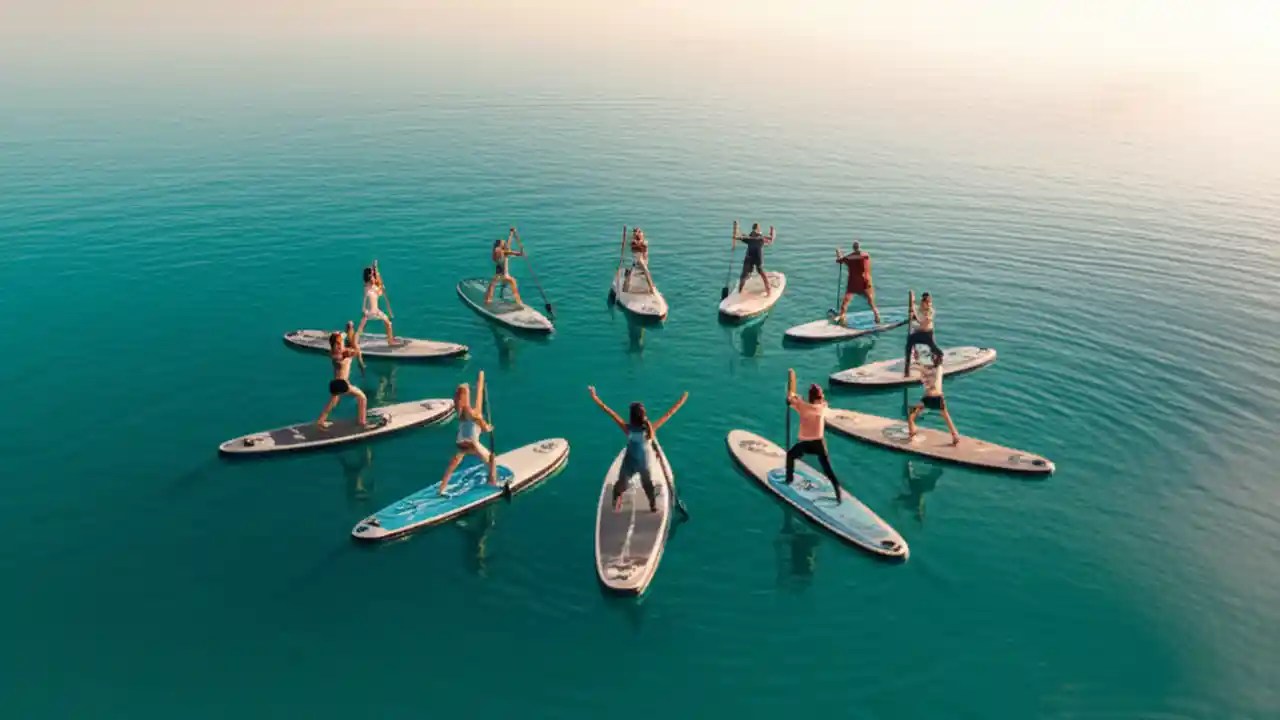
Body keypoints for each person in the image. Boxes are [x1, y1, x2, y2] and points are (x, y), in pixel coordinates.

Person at [588, 386, 688, 512]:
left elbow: (609, 411)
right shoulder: (650, 431)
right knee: (648, 485)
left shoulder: (627, 429)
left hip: (630, 460)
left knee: (621, 484)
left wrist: (595, 397)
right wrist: (682, 400)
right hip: (644, 463)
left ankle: (616, 497)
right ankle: (652, 505)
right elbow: (670, 413)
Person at [784, 369, 844, 504]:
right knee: (828, 469)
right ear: (819, 398)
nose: (823, 397)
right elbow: (815, 402)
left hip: (806, 443)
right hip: (819, 444)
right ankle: (838, 491)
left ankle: (789, 479)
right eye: (821, 395)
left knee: (790, 455)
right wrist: (796, 398)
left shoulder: (802, 406)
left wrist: (791, 397)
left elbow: (791, 400)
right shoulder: (823, 407)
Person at [439, 371, 498, 495]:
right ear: (465, 397)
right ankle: (492, 483)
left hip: (461, 442)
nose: (470, 391)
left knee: (454, 462)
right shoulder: (469, 411)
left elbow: (479, 396)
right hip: (471, 443)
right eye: (468, 392)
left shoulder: (464, 411)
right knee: (491, 460)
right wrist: (487, 427)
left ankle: (442, 488)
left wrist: (481, 379)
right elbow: (479, 421)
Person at [316, 331, 373, 429]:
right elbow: (355, 349)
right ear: (337, 345)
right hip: (342, 384)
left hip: (334, 384)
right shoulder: (343, 354)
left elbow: (349, 348)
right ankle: (362, 422)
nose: (343, 344)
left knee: (333, 402)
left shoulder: (333, 353)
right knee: (362, 397)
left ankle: (321, 421)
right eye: (341, 342)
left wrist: (347, 333)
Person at [906, 351, 961, 446]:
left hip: (929, 396)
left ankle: (912, 433)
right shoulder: (940, 368)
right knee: (945, 415)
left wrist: (915, 361)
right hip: (939, 396)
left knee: (912, 413)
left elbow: (923, 370)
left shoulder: (931, 370)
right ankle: (955, 435)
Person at [833, 240, 881, 325]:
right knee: (871, 301)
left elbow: (839, 260)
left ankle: (843, 319)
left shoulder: (849, 258)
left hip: (853, 283)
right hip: (865, 282)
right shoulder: (866, 256)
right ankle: (877, 317)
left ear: (853, 248)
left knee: (846, 302)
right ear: (859, 247)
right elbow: (859, 257)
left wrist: (838, 253)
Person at [904, 291, 943, 376]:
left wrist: (914, 320)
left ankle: (939, 355)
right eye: (927, 303)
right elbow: (913, 305)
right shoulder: (918, 308)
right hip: (919, 332)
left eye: (930, 303)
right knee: (909, 343)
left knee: (933, 348)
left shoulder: (931, 312)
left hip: (927, 334)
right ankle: (907, 369)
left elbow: (923, 324)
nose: (929, 305)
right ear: (923, 302)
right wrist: (912, 298)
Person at [356, 267, 397, 345]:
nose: (373, 278)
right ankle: (354, 341)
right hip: (369, 312)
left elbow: (378, 290)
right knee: (360, 329)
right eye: (372, 276)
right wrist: (380, 285)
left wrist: (380, 286)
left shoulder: (372, 287)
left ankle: (390, 341)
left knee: (388, 323)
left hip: (375, 311)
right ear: (369, 278)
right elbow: (376, 287)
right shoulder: (367, 288)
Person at [735, 222, 773, 296]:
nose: (753, 234)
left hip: (756, 258)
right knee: (744, 275)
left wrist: (772, 232)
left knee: (761, 273)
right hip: (750, 258)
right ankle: (739, 291)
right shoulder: (750, 238)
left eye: (755, 232)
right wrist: (736, 234)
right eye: (753, 233)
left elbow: (770, 239)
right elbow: (739, 237)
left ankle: (769, 291)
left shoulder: (760, 238)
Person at [484, 236, 525, 305]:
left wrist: (511, 235)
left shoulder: (495, 254)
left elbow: (508, 246)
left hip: (498, 275)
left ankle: (488, 301)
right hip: (506, 275)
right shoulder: (505, 252)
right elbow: (520, 253)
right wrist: (521, 248)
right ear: (501, 245)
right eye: (503, 243)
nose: (505, 243)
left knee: (491, 287)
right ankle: (519, 302)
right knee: (514, 289)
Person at [623, 228, 656, 295]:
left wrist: (645, 261)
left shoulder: (644, 242)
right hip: (633, 259)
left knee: (646, 271)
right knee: (628, 273)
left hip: (640, 260)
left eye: (639, 232)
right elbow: (631, 248)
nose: (638, 233)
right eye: (636, 232)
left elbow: (645, 253)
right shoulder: (633, 242)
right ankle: (625, 289)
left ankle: (651, 289)